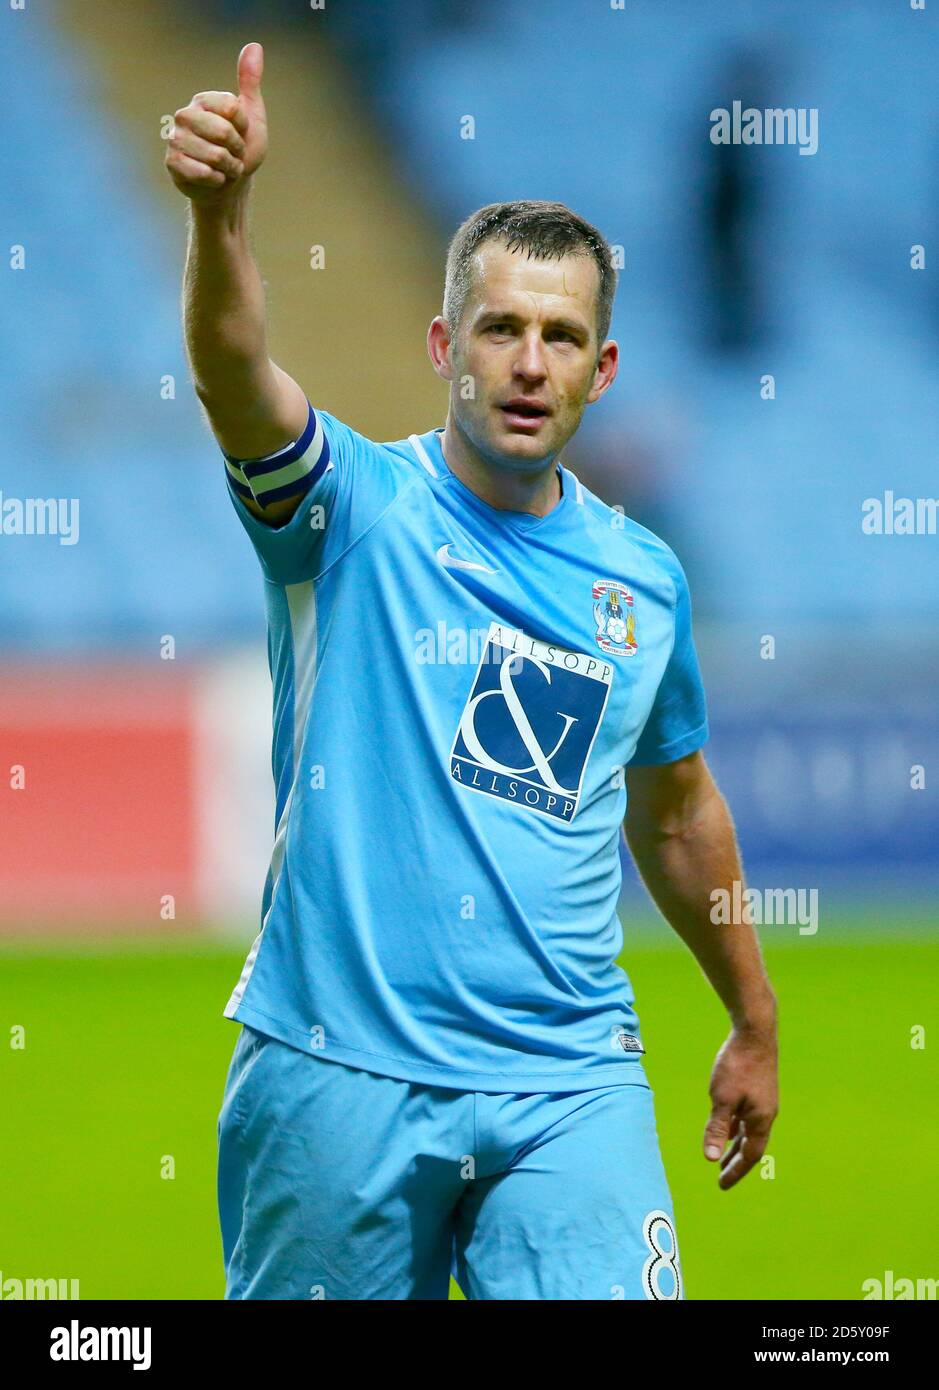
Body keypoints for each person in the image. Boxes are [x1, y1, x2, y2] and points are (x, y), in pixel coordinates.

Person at [166, 41, 778, 1301]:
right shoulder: (349, 511)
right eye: (502, 328)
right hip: (338, 1068)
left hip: (569, 1079)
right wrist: (222, 214)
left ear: (601, 371)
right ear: (449, 342)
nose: (530, 362)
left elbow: (678, 814)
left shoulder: (645, 584)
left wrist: (753, 1015)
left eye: (562, 336)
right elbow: (235, 373)